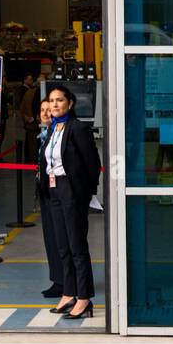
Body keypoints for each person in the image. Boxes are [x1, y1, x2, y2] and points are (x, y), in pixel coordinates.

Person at [41, 86, 101, 319]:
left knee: (77, 247)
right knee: (63, 247)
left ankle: (84, 297)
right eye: (51, 100)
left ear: (70, 103)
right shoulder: (53, 128)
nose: (54, 104)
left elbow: (92, 164)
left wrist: (85, 194)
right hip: (54, 190)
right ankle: (68, 293)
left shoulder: (78, 128)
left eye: (59, 100)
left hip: (72, 192)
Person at [34, 99, 64, 299]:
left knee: (59, 238)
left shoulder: (57, 134)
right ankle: (57, 278)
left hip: (57, 192)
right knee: (50, 237)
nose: (45, 113)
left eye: (49, 110)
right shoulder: (45, 135)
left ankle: (63, 281)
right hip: (46, 191)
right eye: (42, 110)